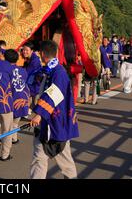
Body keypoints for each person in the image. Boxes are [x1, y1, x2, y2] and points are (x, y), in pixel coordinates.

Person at [30, 40, 79, 179]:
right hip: (46, 122)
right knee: (39, 159)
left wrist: (39, 114)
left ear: (43, 54)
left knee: (66, 162)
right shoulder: (50, 70)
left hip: (56, 123)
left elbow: (54, 94)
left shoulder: (59, 72)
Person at [4, 49, 30, 144]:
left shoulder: (5, 70)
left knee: (6, 123)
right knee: (15, 123)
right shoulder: (23, 71)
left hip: (11, 99)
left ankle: (5, 140)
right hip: (22, 99)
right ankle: (14, 138)